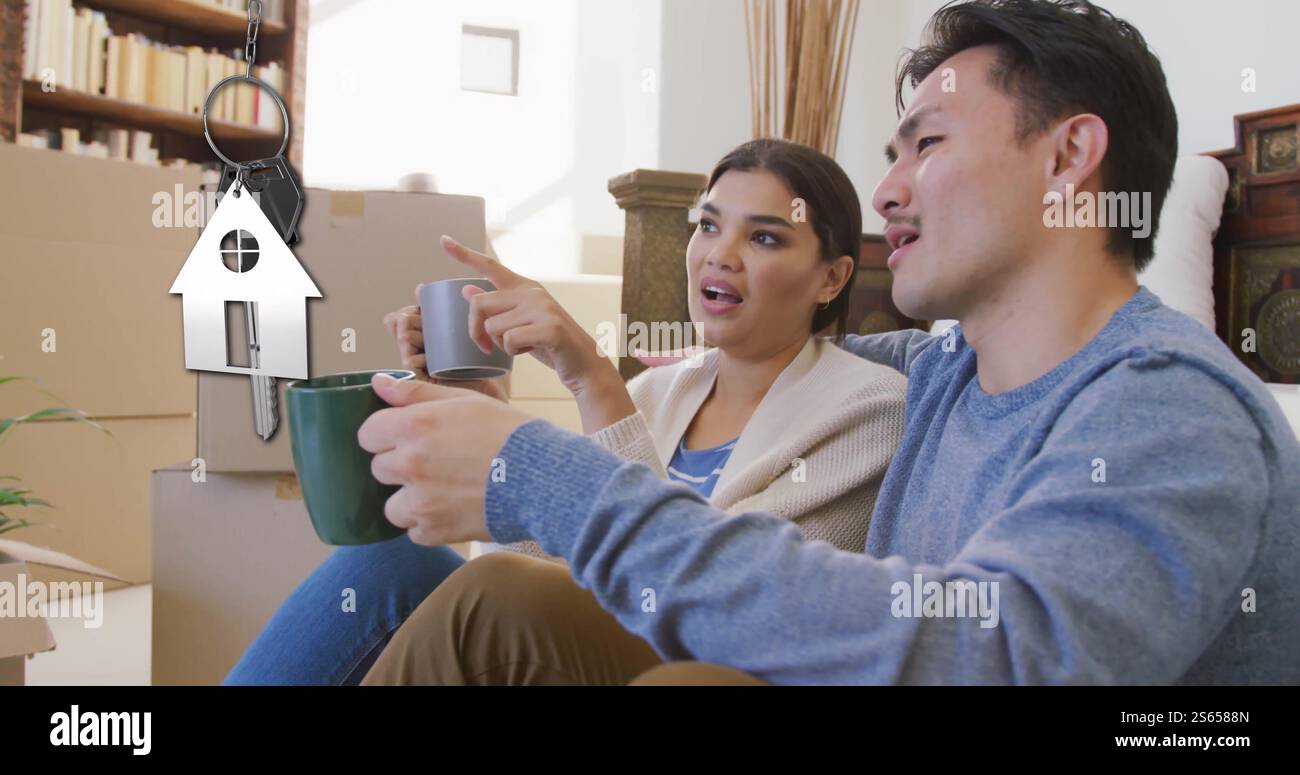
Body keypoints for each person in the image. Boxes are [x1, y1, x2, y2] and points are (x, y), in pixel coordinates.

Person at [357, 0, 1300, 685]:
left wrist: (546, 470)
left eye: (925, 145)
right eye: (891, 156)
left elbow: (1000, 654)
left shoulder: (1170, 403)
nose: (886, 194)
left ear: (1067, 156)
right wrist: (511, 372)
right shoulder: (945, 369)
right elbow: (756, 355)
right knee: (496, 600)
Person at [223, 139, 907, 685]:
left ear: (832, 277)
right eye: (708, 225)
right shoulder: (663, 392)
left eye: (764, 238)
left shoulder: (866, 410)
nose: (718, 255)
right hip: (585, 642)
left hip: (698, 662)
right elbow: (533, 564)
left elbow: (706, 599)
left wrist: (592, 378)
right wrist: (488, 434)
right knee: (387, 566)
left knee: (484, 591)